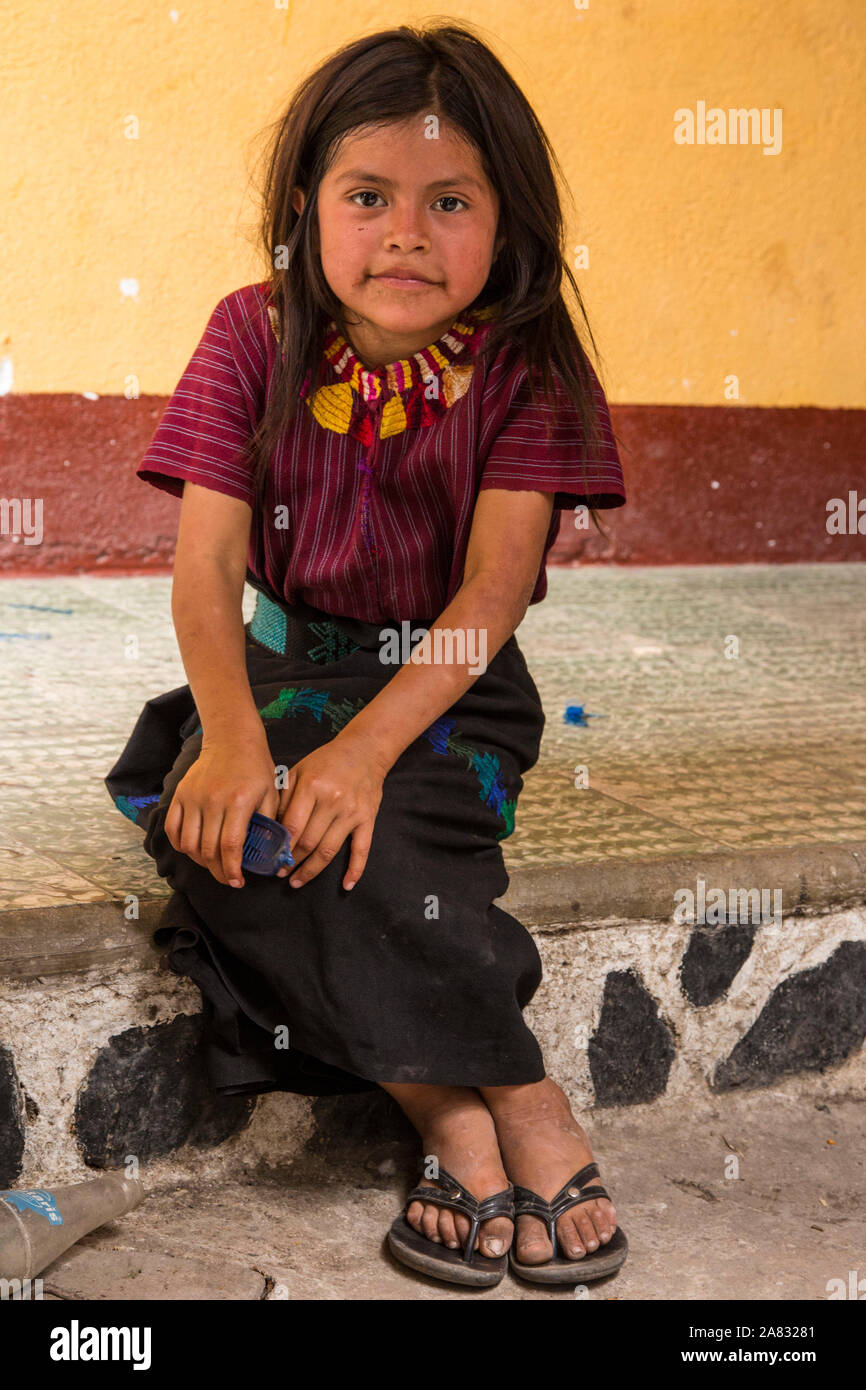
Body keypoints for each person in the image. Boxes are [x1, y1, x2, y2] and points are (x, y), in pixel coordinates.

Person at [106, 22, 629, 1289]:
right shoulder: (251, 334)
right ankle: (459, 1109)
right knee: (237, 828)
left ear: (505, 222)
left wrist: (363, 747)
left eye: (450, 200)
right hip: (275, 682)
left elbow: (492, 591)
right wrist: (235, 737)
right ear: (306, 209)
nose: (405, 233)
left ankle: (521, 1098)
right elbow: (207, 570)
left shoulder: (527, 365)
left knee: (377, 832)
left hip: (450, 689)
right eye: (367, 196)